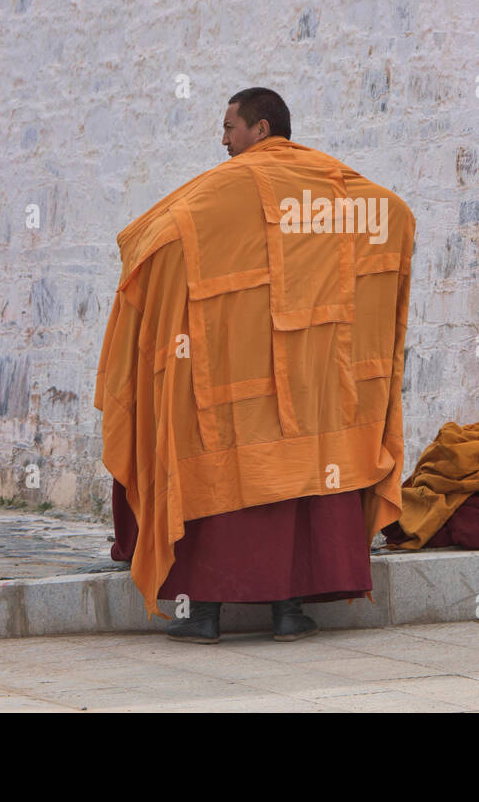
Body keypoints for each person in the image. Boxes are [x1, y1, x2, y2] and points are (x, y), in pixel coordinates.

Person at [95, 88, 415, 643]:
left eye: (229, 128)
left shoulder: (218, 193)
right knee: (297, 479)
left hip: (230, 381)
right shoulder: (332, 184)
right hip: (312, 387)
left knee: (220, 478)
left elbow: (150, 242)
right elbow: (394, 214)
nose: (222, 140)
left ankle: (206, 615)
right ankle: (288, 613)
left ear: (260, 128)